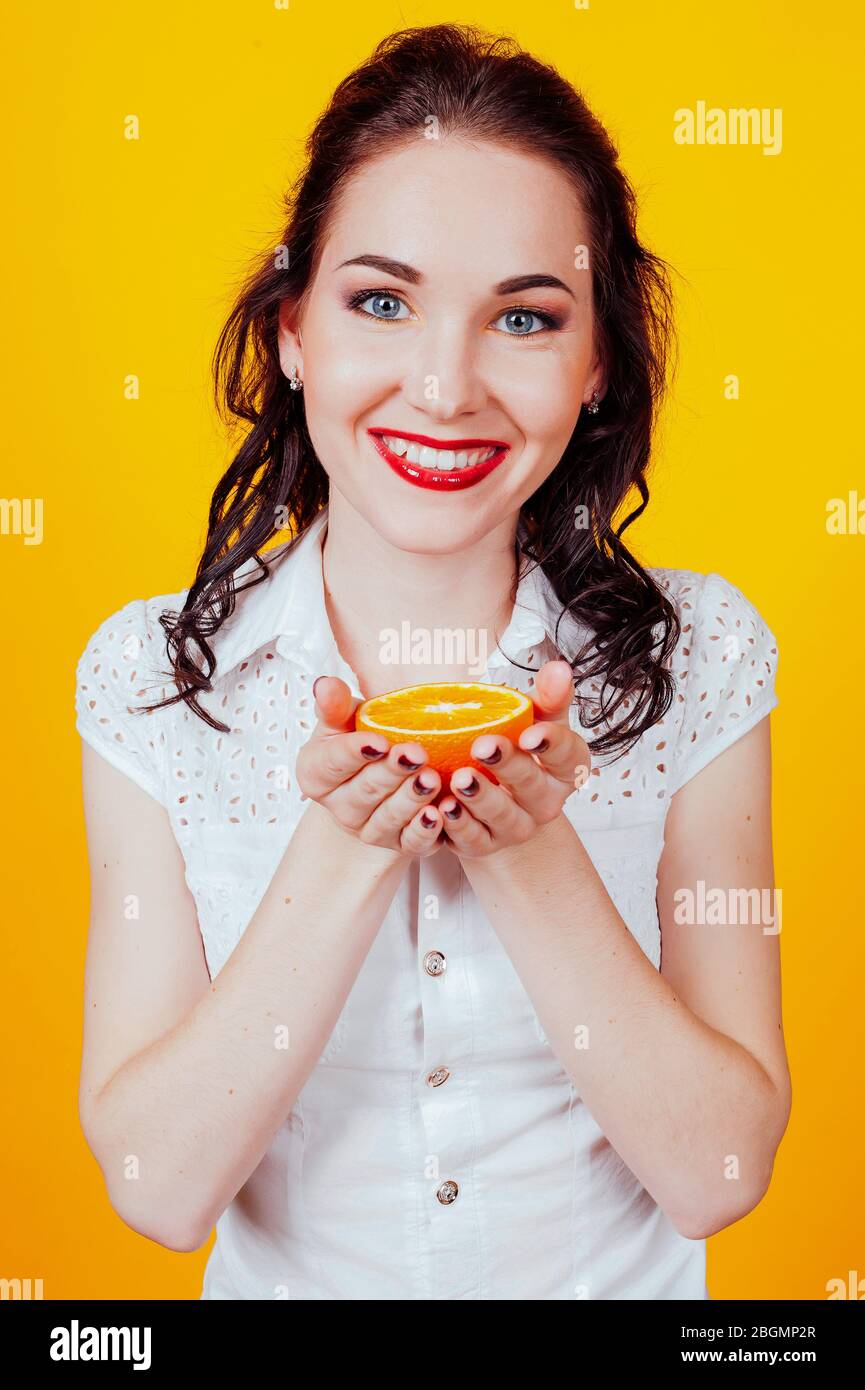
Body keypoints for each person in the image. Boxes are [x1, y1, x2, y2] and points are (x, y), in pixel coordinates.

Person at [74, 23, 790, 1300]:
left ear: (595, 367)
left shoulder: (701, 657)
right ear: (294, 330)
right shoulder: (150, 676)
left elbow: (721, 1170)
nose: (446, 387)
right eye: (382, 302)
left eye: (523, 316)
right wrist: (350, 839)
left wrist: (527, 849)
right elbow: (155, 1190)